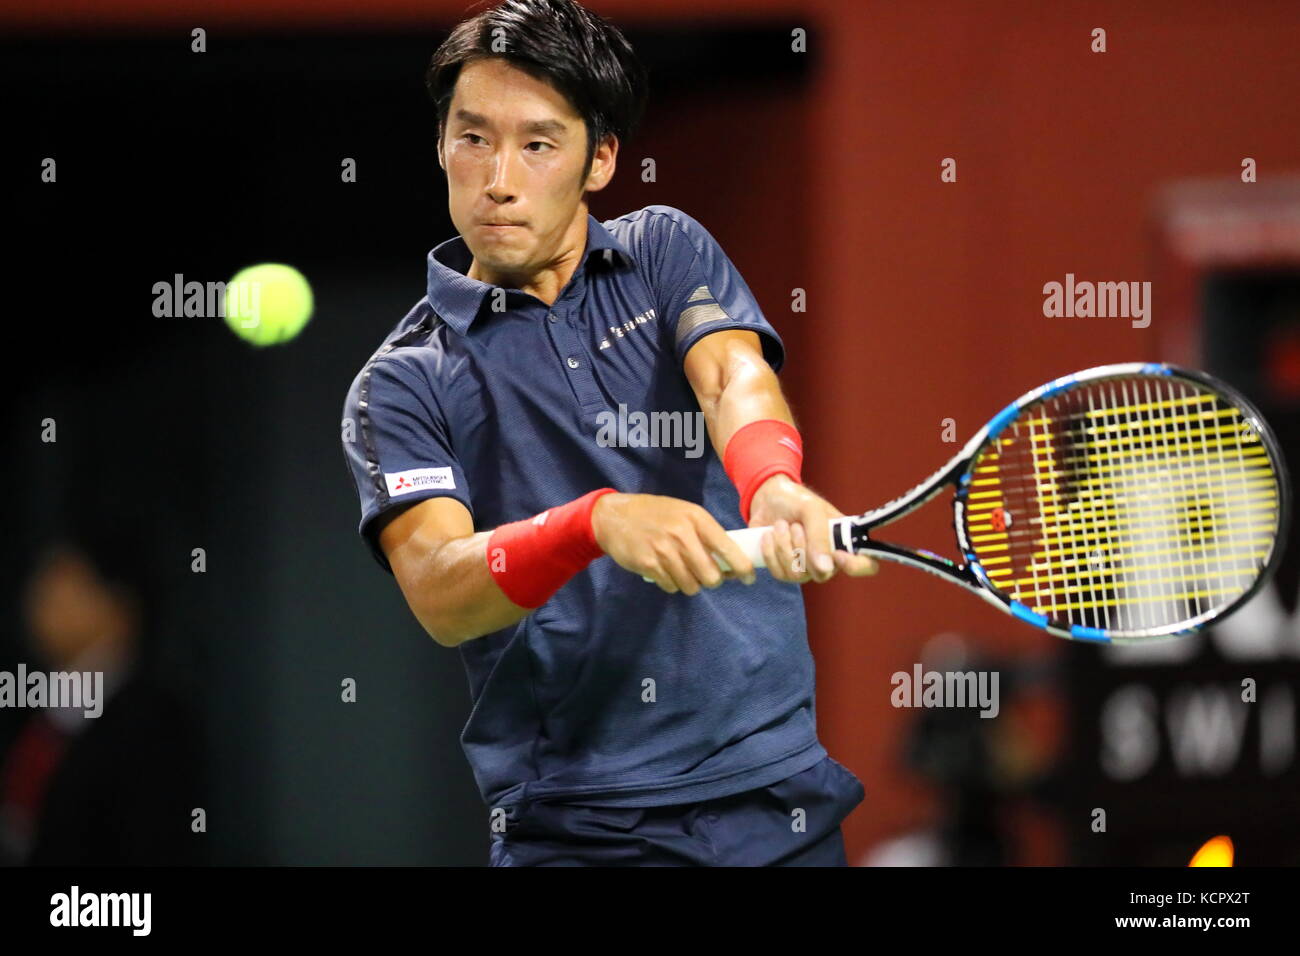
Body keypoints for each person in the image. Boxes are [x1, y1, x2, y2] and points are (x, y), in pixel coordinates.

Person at [341, 0, 875, 866]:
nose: (500, 178)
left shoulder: (666, 250)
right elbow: (440, 592)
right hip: (581, 828)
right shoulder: (401, 382)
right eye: (473, 138)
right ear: (441, 144)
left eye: (539, 144)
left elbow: (733, 374)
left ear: (600, 160)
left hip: (778, 802)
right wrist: (593, 524)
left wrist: (773, 481)